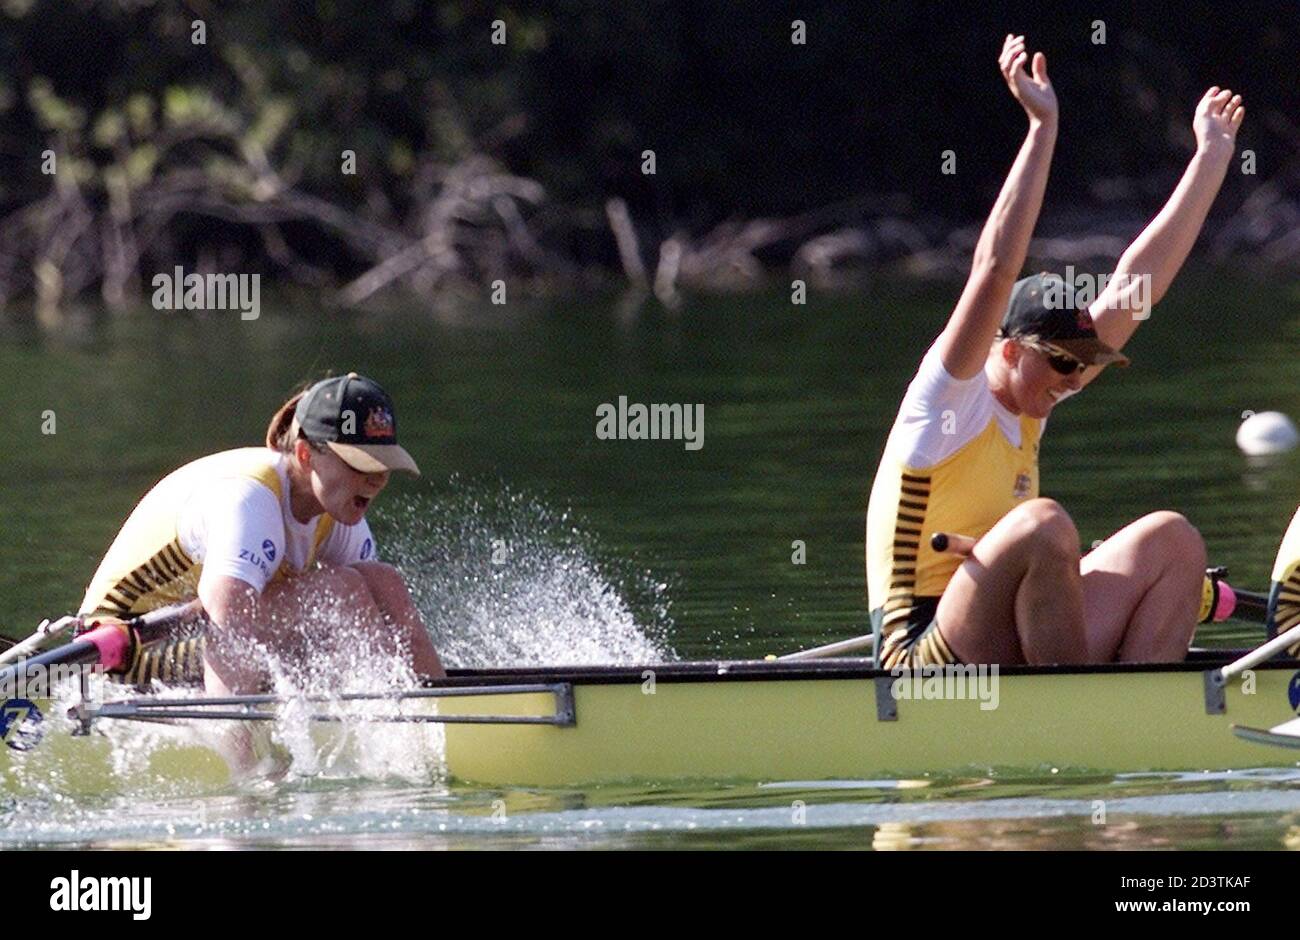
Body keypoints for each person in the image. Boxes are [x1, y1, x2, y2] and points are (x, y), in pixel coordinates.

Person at [865, 34, 1245, 668]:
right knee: (1045, 525)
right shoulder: (947, 395)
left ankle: (1139, 721)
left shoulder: (1038, 396)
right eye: (1061, 362)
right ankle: (1075, 711)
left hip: (1005, 633)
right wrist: (1042, 128)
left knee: (1174, 541)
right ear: (1011, 351)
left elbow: (1135, 284)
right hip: (922, 651)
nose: (1074, 377)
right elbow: (992, 269)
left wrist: (1209, 158)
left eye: (1082, 363)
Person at [79, 372, 445, 693]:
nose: (378, 479)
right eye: (360, 464)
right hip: (122, 652)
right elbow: (228, 619)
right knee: (339, 592)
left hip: (200, 641)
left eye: (384, 465)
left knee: (383, 582)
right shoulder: (251, 499)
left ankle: (435, 705)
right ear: (305, 455)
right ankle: (247, 766)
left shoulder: (336, 506)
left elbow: (372, 614)